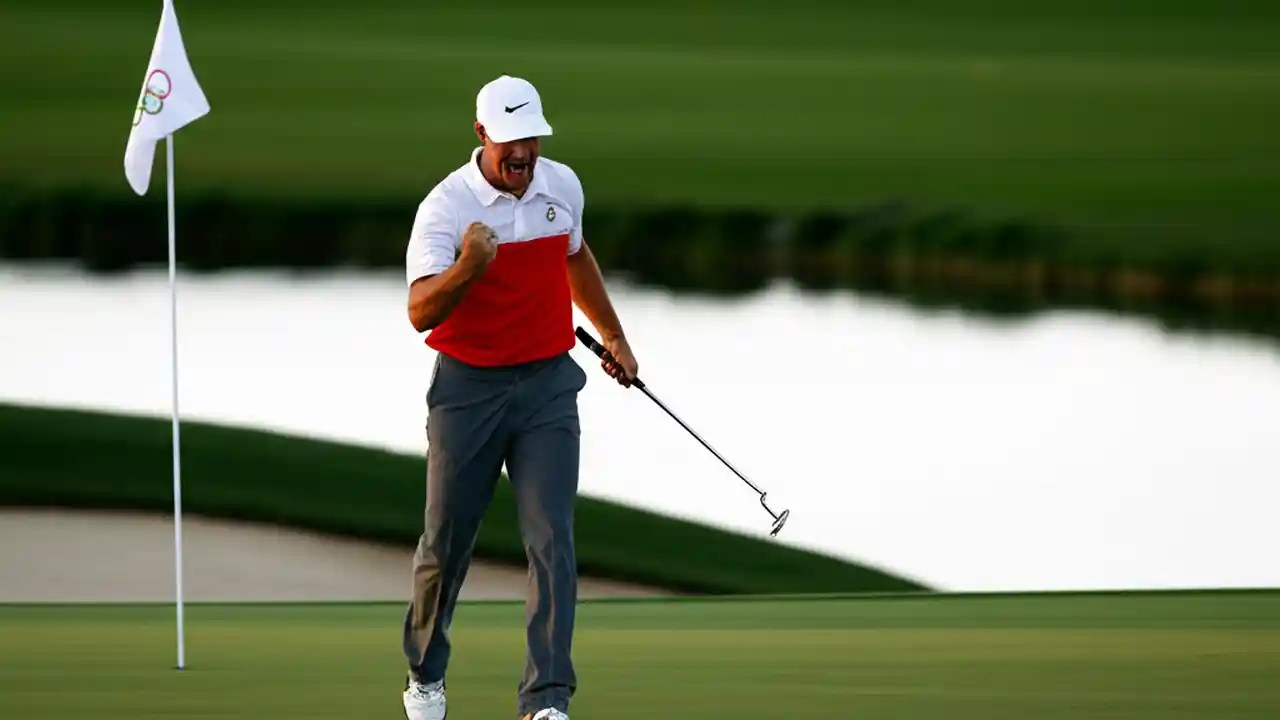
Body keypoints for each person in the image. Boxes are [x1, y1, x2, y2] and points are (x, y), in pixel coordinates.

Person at [400, 75, 638, 720]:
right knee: (446, 542)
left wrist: (612, 333)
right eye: (510, 140)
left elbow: (575, 255)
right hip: (467, 389)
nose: (523, 153)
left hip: (546, 386)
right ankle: (425, 677)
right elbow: (420, 310)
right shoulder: (446, 208)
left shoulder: (561, 185)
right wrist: (470, 264)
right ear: (482, 135)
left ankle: (546, 700)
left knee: (552, 539)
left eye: (531, 137)